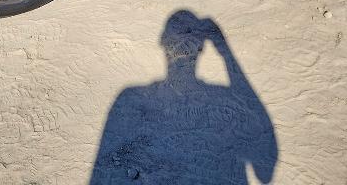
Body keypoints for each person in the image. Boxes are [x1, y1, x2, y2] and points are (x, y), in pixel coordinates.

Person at [90, 10, 277, 184]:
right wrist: (226, 54)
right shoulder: (224, 97)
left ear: (163, 45)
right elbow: (264, 172)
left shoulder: (129, 96)